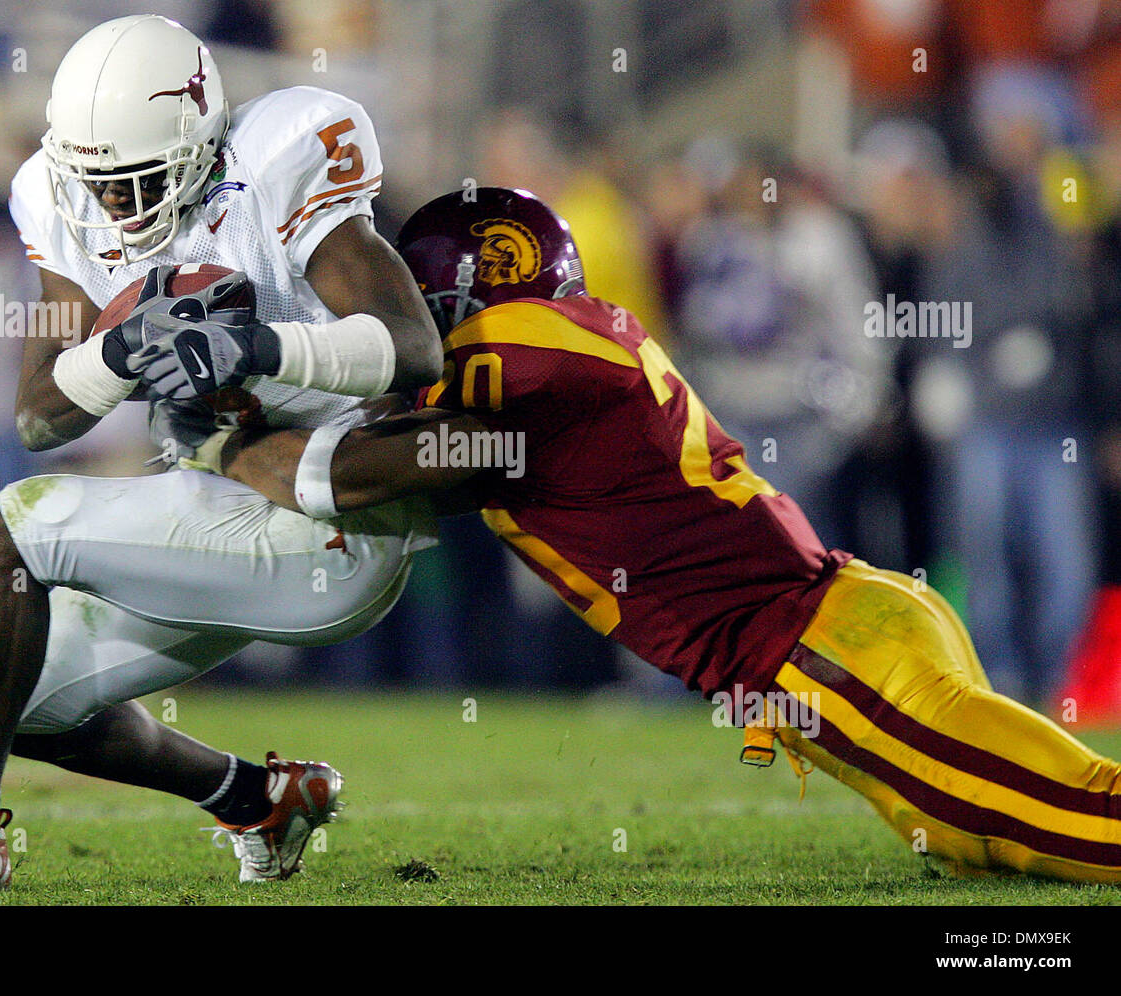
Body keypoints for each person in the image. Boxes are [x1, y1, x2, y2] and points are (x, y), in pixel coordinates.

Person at [162, 186, 1121, 883]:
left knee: (1082, 822)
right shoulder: (560, 338)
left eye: (409, 295)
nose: (392, 318)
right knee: (975, 844)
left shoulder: (512, 348)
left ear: (466, 280)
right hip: (839, 637)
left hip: (830, 655)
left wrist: (227, 439)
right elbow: (418, 462)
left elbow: (396, 465)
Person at [0, 14, 442, 894]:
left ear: (199, 143)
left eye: (137, 180)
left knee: (11, 529)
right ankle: (257, 800)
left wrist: (262, 350)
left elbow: (413, 346)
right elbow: (38, 416)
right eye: (98, 183)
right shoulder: (55, 194)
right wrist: (117, 352)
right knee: (19, 698)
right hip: (213, 488)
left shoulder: (277, 158)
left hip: (332, 514)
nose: (115, 205)